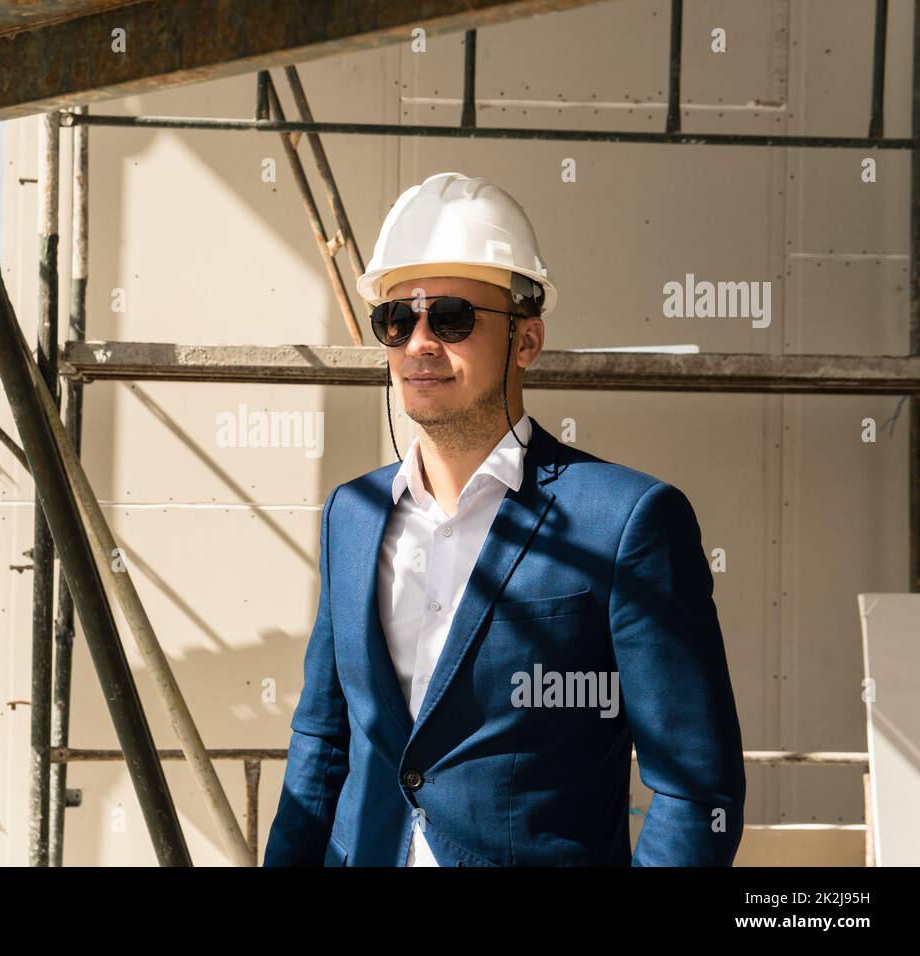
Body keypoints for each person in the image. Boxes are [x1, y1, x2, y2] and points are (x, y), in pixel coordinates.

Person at [263, 172, 746, 866]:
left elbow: (698, 792)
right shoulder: (352, 514)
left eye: (452, 317)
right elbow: (321, 741)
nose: (420, 343)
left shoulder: (629, 522)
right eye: (397, 320)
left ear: (526, 341)